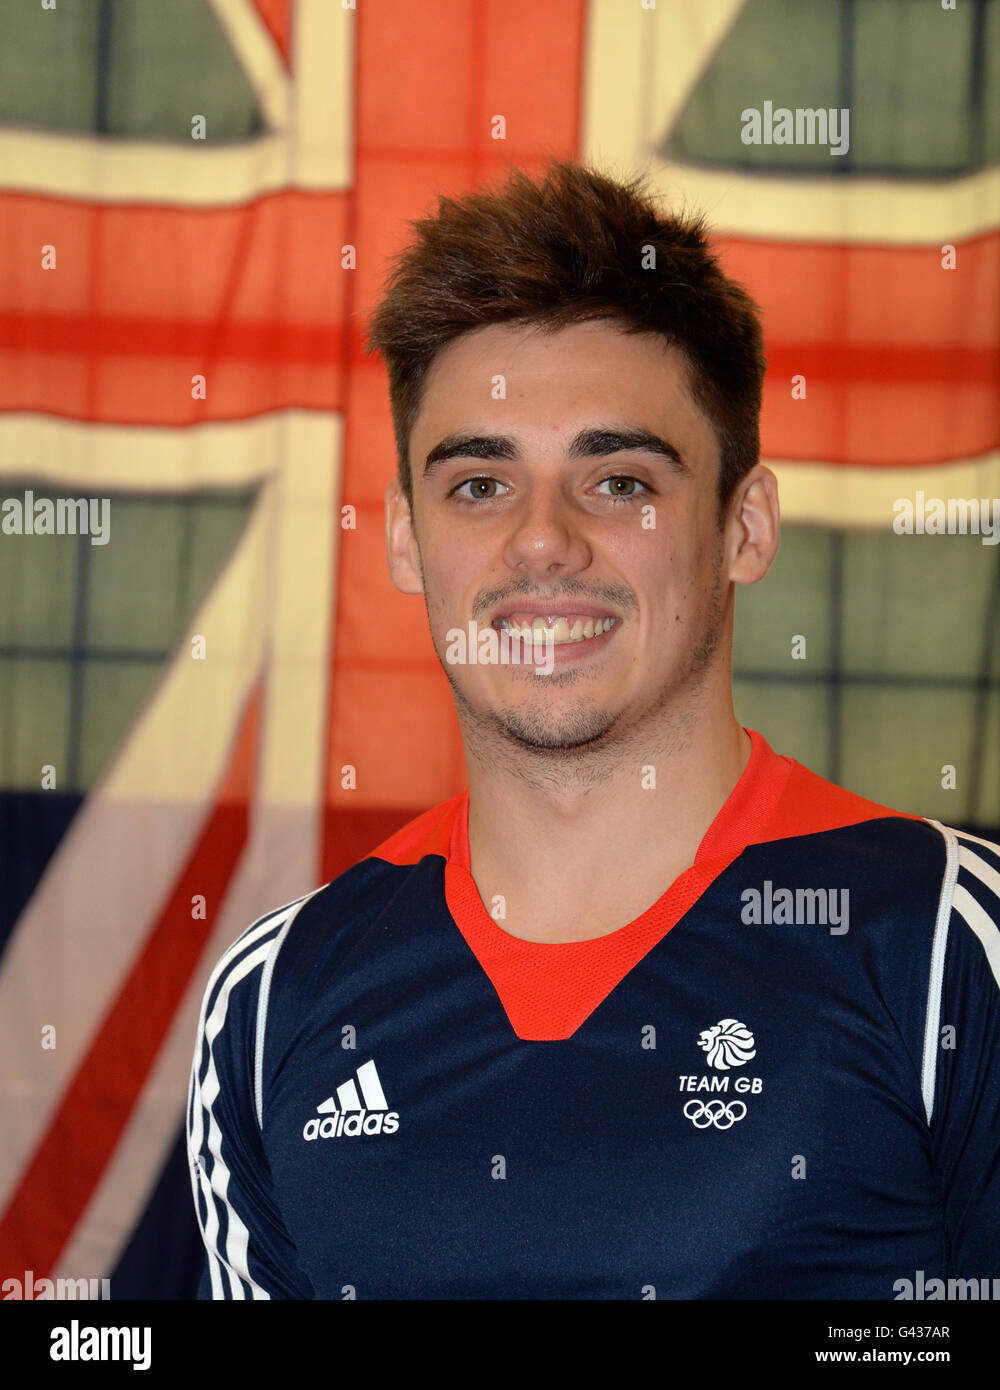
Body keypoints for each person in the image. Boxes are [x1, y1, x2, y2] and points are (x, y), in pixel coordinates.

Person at [187, 160, 1000, 1300]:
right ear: (406, 540)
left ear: (744, 526)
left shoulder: (948, 951)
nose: (540, 544)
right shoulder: (274, 998)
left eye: (618, 481)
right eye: (478, 485)